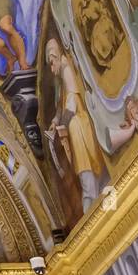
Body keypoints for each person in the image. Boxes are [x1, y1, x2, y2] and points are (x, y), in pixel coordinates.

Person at [44, 39, 107, 213]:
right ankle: (96, 204)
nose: (51, 68)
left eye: (51, 63)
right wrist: (55, 122)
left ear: (55, 57)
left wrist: (62, 124)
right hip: (74, 128)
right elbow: (61, 104)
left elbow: (71, 100)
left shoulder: (65, 68)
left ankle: (93, 207)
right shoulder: (60, 78)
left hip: (79, 127)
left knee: (88, 170)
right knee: (89, 172)